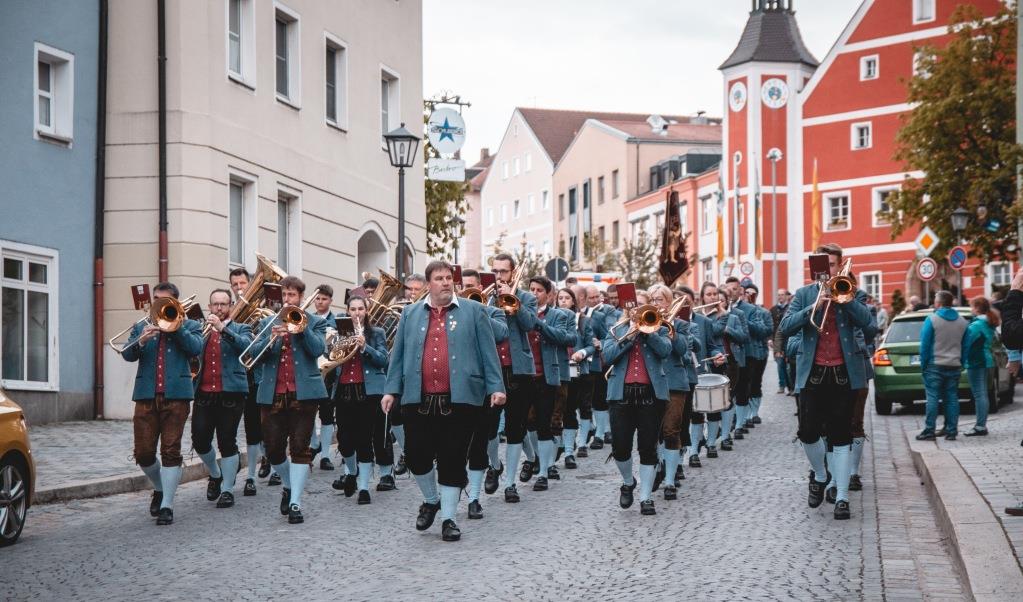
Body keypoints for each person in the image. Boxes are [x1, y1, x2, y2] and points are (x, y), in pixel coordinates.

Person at [381, 260, 506, 542]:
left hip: (460, 399)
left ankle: (449, 518)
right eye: (439, 278)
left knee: (452, 458)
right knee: (416, 456)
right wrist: (391, 390)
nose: (446, 282)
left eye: (449, 278)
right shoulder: (410, 314)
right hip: (417, 398)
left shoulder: (474, 311)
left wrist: (496, 386)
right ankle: (431, 499)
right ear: (428, 284)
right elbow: (398, 354)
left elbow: (489, 352)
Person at [779, 243, 874, 520]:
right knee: (807, 432)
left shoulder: (852, 293)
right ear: (815, 267)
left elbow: (869, 326)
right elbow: (785, 327)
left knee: (841, 434)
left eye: (833, 265)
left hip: (844, 374)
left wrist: (848, 300)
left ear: (840, 266)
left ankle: (842, 497)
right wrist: (815, 305)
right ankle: (821, 474)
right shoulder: (804, 294)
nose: (828, 270)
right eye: (823, 265)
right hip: (813, 374)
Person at [121, 282, 204, 525]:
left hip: (176, 395)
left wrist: (175, 326)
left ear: (175, 303)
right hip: (146, 395)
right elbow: (127, 354)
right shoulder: (142, 325)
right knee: (144, 453)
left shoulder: (190, 325)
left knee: (170, 450)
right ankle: (159, 487)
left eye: (164, 300)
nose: (158, 303)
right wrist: (142, 341)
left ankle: (167, 504)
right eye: (156, 299)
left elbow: (195, 348)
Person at [250, 276, 328, 524]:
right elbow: (254, 355)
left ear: (301, 298)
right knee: (273, 449)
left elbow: (318, 350)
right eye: (284, 295)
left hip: (304, 395)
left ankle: (295, 501)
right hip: (272, 394)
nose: (287, 299)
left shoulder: (314, 322)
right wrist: (270, 340)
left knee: (300, 449)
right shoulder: (267, 322)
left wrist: (301, 328)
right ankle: (287, 483)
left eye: (292, 295)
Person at [602, 292, 672, 515]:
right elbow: (608, 356)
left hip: (650, 395)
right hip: (621, 394)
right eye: (635, 307)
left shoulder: (659, 327)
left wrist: (648, 333)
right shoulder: (617, 329)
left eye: (643, 306)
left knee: (648, 446)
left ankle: (646, 497)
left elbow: (665, 351)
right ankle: (628, 481)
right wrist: (631, 335)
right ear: (627, 309)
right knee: (620, 447)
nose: (639, 311)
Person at [191, 289, 254, 509]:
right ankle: (215, 474)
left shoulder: (241, 327)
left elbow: (247, 347)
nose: (219, 308)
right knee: (199, 439)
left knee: (227, 441)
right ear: (209, 306)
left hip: (232, 393)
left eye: (223, 304)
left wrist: (222, 329)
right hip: (204, 393)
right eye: (215, 304)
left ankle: (227, 489)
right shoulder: (200, 330)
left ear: (230, 306)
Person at [329, 295, 392, 504]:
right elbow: (328, 358)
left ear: (366, 311)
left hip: (368, 393)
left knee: (365, 440)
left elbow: (383, 360)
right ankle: (352, 472)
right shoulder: (339, 331)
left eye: (360, 309)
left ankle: (364, 487)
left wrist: (365, 347)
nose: (357, 313)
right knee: (345, 442)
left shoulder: (376, 333)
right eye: (353, 309)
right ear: (347, 311)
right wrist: (332, 342)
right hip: (344, 391)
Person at [459, 268, 508, 519]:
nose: (467, 290)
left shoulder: (492, 310)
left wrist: (479, 311)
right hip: (455, 386)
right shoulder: (450, 314)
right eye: (463, 286)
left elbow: (502, 333)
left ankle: (475, 498)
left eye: (472, 287)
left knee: (481, 441)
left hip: (482, 387)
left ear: (481, 288)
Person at [521, 277, 576, 491]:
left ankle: (544, 471)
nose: (534, 293)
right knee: (527, 424)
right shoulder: (519, 311)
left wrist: (539, 324)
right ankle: (535, 459)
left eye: (539, 290)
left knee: (545, 424)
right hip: (524, 375)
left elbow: (566, 338)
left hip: (546, 376)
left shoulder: (559, 315)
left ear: (549, 294)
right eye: (531, 289)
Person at [648, 284, 694, 500]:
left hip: (675, 383)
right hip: (652, 381)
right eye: (653, 300)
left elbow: (683, 351)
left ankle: (669, 480)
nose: (656, 304)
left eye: (660, 300)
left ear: (669, 302)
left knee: (671, 431)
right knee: (653, 431)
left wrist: (670, 327)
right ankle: (657, 469)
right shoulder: (647, 322)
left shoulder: (682, 325)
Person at [229, 268, 270, 492]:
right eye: (235, 284)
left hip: (257, 375)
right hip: (236, 375)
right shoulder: (228, 310)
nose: (239, 288)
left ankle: (263, 463)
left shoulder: (262, 311)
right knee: (243, 425)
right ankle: (247, 469)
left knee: (260, 423)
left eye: (243, 283)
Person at [915, 291, 968, 442]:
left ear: (938, 303)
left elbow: (925, 345)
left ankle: (929, 430)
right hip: (954, 365)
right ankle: (951, 430)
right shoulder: (963, 322)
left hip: (934, 364)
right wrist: (961, 362)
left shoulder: (932, 319)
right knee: (952, 398)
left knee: (932, 397)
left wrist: (924, 364)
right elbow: (965, 346)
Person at [717, 277, 752, 447]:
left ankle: (726, 434)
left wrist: (727, 329)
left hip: (731, 361)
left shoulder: (737, 315)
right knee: (715, 399)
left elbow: (744, 337)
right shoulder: (707, 316)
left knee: (729, 397)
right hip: (714, 362)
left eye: (722, 300)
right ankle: (716, 431)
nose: (719, 304)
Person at [310, 284, 338, 470]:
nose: (320, 302)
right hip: (311, 370)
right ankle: (313, 444)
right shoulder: (306, 318)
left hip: (328, 372)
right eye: (318, 298)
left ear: (330, 301)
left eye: (324, 299)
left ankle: (325, 455)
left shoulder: (337, 321)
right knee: (308, 411)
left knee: (327, 415)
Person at [963, 296, 999, 437]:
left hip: (977, 361)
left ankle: (980, 426)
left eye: (972, 306)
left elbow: (966, 343)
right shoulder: (988, 322)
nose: (971, 309)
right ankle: (981, 424)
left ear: (977, 308)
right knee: (982, 394)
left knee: (979, 394)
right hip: (985, 360)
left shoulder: (976, 325)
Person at [742, 284, 774, 426]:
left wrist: (748, 322)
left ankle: (754, 413)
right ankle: (745, 414)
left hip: (760, 351)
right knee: (745, 383)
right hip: (745, 352)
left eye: (752, 293)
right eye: (747, 293)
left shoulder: (764, 312)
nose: (749, 296)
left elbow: (766, 331)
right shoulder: (739, 310)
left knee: (756, 382)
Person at [770, 289, 791, 394]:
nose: (780, 297)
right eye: (778, 295)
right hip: (777, 341)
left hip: (788, 341)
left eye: (782, 295)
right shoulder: (773, 309)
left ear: (787, 296)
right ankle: (781, 385)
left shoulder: (790, 308)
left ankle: (790, 386)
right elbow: (771, 326)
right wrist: (770, 339)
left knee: (788, 366)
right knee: (779, 364)